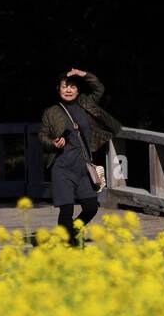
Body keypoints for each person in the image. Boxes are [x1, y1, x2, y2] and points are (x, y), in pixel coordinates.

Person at [39, 68, 121, 245]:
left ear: (78, 90)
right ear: (58, 89)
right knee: (66, 209)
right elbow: (42, 136)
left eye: (72, 87)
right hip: (61, 168)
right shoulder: (51, 112)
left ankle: (71, 230)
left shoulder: (85, 104)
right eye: (64, 87)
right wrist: (53, 143)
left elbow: (99, 88)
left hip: (83, 168)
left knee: (91, 207)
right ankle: (69, 243)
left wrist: (84, 74)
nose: (68, 90)